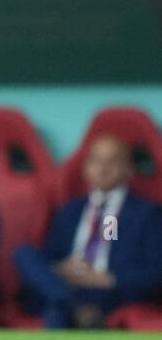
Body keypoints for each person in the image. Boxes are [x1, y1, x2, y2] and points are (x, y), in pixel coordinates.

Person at [14, 135, 162, 328]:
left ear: (128, 169)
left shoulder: (146, 213)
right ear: (85, 168)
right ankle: (73, 305)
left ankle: (69, 305)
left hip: (107, 292)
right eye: (95, 160)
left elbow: (156, 273)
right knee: (23, 253)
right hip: (67, 284)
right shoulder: (70, 210)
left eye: (112, 161)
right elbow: (48, 257)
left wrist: (108, 278)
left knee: (56, 310)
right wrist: (62, 268)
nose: (102, 168)